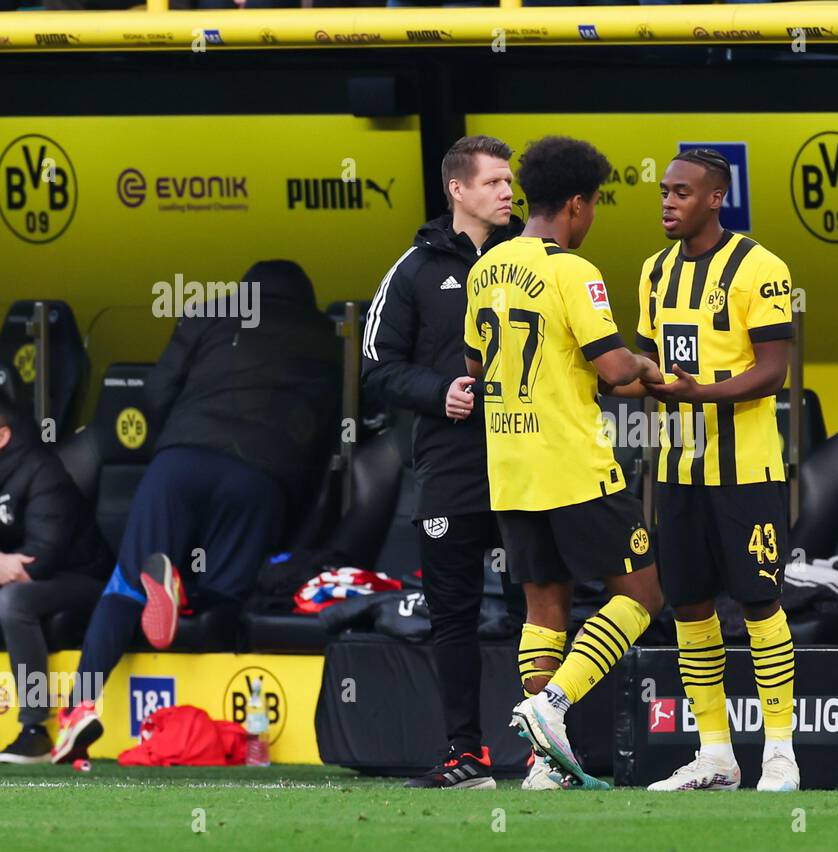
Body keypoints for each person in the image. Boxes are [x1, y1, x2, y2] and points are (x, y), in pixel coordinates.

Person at [52, 260, 340, 764]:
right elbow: (327, 433)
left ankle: (80, 708)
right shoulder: (327, 337)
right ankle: (203, 645)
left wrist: (173, 442)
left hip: (183, 458)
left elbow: (157, 392)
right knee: (228, 591)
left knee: (127, 582)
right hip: (263, 475)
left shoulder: (211, 312)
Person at [461, 135, 664, 790]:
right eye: (595, 204)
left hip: (511, 467)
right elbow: (612, 367)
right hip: (574, 463)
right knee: (640, 594)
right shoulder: (575, 271)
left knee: (543, 608)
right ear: (576, 204)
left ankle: (546, 764)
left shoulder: (486, 267)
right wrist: (645, 365)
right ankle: (553, 706)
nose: (594, 216)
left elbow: (473, 365)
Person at [361, 134, 530, 791]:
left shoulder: (537, 261)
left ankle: (552, 754)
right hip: (453, 467)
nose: (506, 192)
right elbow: (376, 368)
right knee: (454, 614)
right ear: (457, 191)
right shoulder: (414, 269)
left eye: (510, 182)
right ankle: (467, 756)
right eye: (492, 182)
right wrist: (440, 392)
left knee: (537, 606)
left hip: (528, 464)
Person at [629, 148, 799, 792]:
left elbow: (772, 370)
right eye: (663, 192)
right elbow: (650, 363)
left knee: (758, 600)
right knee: (690, 605)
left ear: (714, 198)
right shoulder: (653, 271)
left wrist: (693, 392)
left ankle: (780, 750)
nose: (668, 202)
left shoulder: (760, 267)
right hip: (676, 471)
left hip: (747, 470)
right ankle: (716, 754)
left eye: (680, 192)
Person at [0, 396, 113, 763]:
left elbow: (37, 561)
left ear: (2, 436)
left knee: (14, 602)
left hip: (83, 581)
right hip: (29, 578)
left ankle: (35, 729)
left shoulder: (41, 470)